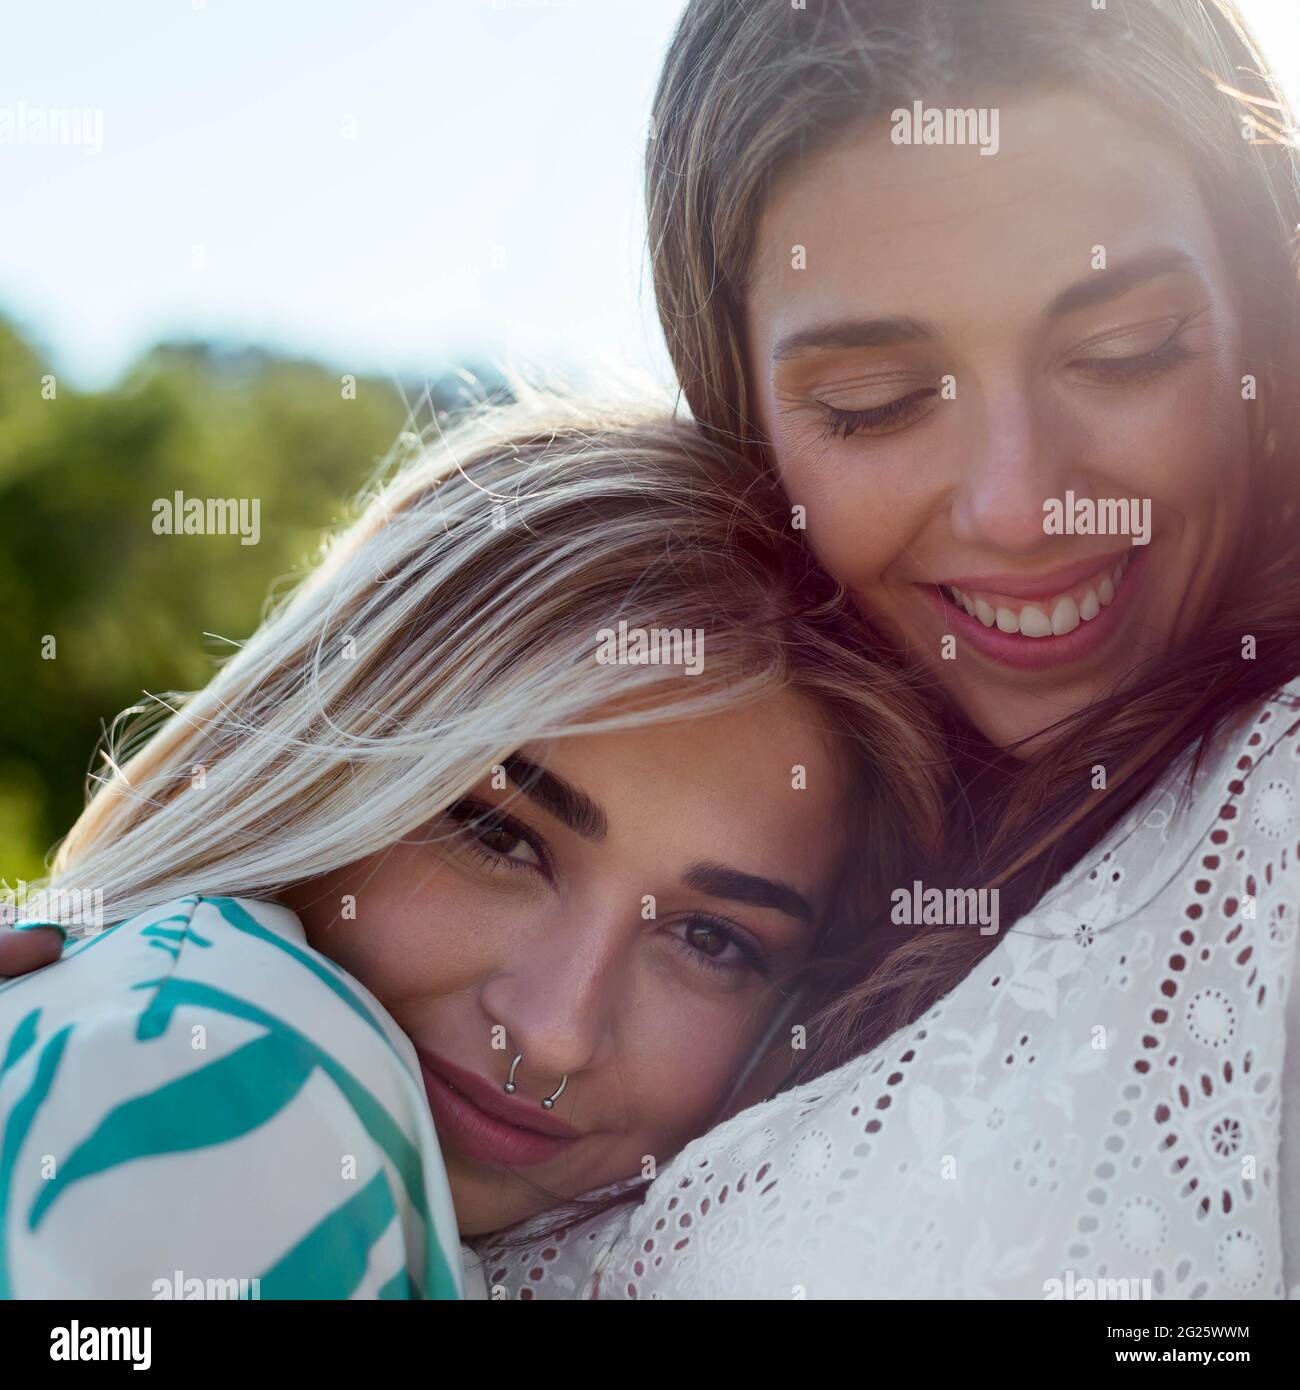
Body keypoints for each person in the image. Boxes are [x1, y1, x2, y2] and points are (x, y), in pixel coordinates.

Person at [467, 0, 1300, 1299]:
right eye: (877, 403)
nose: (1022, 506)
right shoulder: (673, 749)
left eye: (1126, 351)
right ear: (737, 406)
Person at [0, 396, 941, 1298]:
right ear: (326, 762)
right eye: (499, 836)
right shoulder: (230, 1081)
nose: (556, 1030)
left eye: (712, 941)